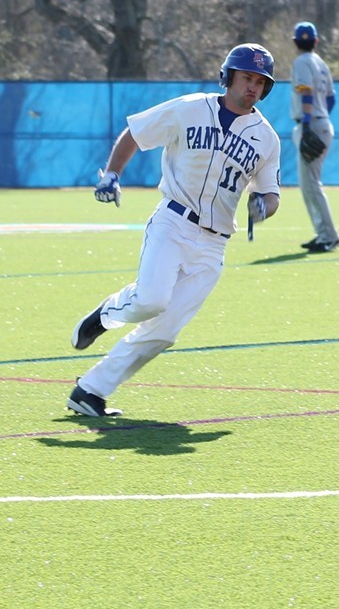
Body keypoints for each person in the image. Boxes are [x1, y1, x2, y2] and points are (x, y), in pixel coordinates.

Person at [66, 43, 281, 417]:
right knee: (151, 299)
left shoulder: (267, 138)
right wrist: (113, 174)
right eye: (247, 77)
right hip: (173, 221)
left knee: (164, 332)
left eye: (261, 82)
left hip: (215, 244)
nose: (253, 87)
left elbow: (270, 193)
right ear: (228, 76)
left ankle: (90, 391)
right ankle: (105, 315)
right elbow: (135, 133)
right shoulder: (190, 108)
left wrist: (263, 206)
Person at [289, 21, 339, 252]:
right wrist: (321, 118)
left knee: (311, 185)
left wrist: (309, 124)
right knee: (311, 184)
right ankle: (324, 234)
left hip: (311, 125)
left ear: (295, 42)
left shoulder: (301, 62)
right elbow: (331, 98)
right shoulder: (321, 63)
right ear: (316, 41)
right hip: (323, 124)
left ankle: (328, 236)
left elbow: (306, 92)